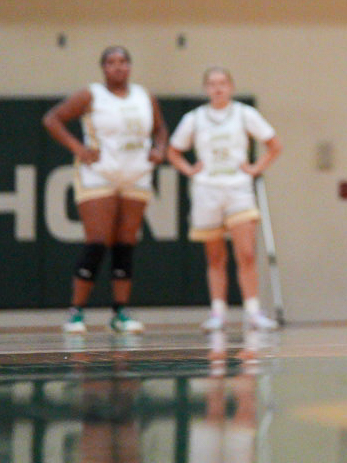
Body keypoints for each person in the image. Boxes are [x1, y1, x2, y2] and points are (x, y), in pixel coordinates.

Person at [43, 45, 168, 334]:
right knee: (98, 240)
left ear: (130, 66)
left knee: (125, 243)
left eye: (123, 61)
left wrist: (160, 149)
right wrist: (78, 148)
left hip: (136, 173)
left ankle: (120, 312)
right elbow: (52, 119)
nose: (118, 66)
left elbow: (160, 129)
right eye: (111, 62)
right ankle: (76, 312)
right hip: (99, 174)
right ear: (103, 68)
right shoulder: (91, 95)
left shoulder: (144, 96)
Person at [168, 67, 283, 331]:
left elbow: (274, 144)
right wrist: (189, 169)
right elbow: (173, 152)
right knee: (215, 257)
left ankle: (253, 311)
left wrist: (256, 168)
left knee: (246, 253)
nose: (217, 88)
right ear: (206, 88)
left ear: (231, 86)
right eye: (212, 83)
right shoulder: (194, 118)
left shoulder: (245, 114)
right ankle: (218, 312)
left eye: (222, 83)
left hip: (237, 188)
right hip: (206, 190)